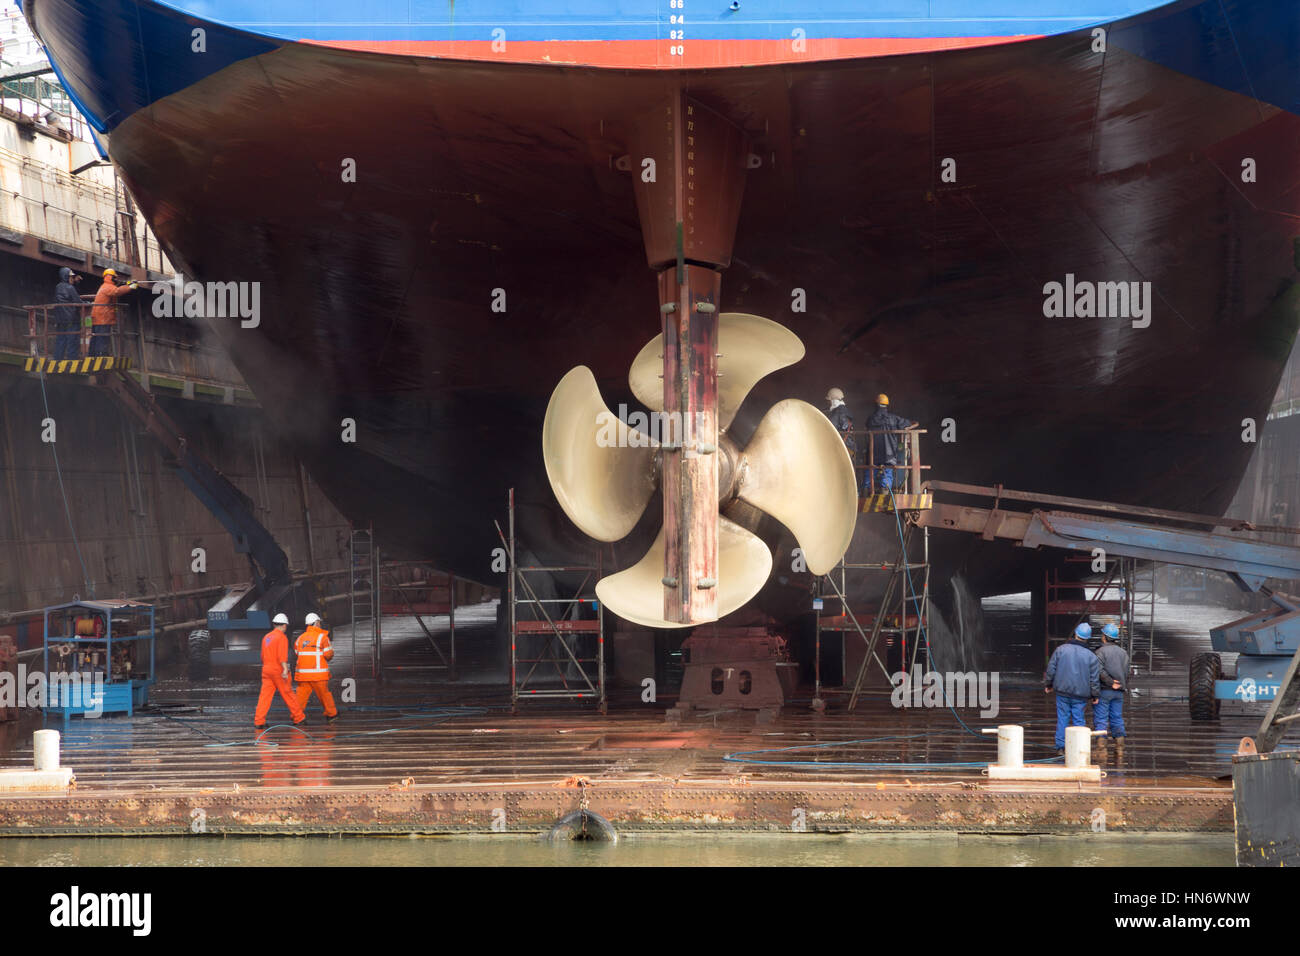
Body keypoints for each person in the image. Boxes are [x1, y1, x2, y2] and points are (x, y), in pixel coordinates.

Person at [1044, 621, 1100, 754]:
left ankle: (1060, 747)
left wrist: (1048, 684)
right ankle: (1079, 746)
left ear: (1075, 634)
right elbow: (1094, 678)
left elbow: (1051, 669)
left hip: (1062, 692)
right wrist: (1095, 695)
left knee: (1062, 718)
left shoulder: (1061, 650)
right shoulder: (1091, 656)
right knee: (1079, 719)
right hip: (1080, 695)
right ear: (1087, 638)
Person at [254, 612, 306, 729]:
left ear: (274, 624)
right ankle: (299, 718)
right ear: (284, 625)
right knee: (288, 694)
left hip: (266, 669)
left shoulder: (266, 637)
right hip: (278, 670)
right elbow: (282, 656)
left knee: (264, 697)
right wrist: (285, 669)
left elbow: (262, 656)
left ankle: (259, 721)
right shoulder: (282, 637)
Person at [864, 394, 917, 493]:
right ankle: (885, 490)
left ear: (876, 404)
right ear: (887, 405)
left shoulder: (871, 419)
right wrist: (912, 423)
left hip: (873, 453)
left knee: (870, 470)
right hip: (889, 453)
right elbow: (908, 423)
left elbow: (866, 427)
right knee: (887, 470)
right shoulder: (893, 418)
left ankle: (866, 490)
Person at [294, 612, 338, 722]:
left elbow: (297, 652)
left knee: (300, 697)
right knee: (324, 695)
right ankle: (331, 715)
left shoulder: (299, 639)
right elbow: (328, 654)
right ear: (316, 623)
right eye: (319, 622)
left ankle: (297, 718)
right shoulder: (322, 638)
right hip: (318, 674)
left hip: (303, 675)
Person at [1093, 622, 1129, 758]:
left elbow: (1098, 671)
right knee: (1117, 718)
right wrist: (1120, 684)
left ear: (1104, 637)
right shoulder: (1123, 653)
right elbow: (1126, 673)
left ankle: (1101, 751)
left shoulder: (1100, 652)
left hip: (1104, 690)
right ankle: (1119, 750)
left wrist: (1109, 682)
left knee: (1101, 720)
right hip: (1119, 692)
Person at [89, 268, 137, 358]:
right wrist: (130, 287)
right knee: (102, 337)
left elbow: (116, 289)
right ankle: (100, 357)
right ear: (110, 277)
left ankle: (93, 357)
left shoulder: (105, 286)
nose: (116, 279)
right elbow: (117, 291)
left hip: (99, 317)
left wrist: (127, 284)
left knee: (96, 337)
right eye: (114, 277)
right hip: (103, 317)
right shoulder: (108, 287)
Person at [52, 268, 82, 360]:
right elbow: (78, 301)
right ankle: (72, 360)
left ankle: (57, 359)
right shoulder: (70, 288)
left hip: (60, 319)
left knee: (61, 340)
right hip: (72, 319)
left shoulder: (58, 287)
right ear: (66, 277)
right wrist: (87, 304)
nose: (73, 279)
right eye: (71, 277)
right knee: (73, 340)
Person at [823, 387, 857, 465]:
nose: (828, 403)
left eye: (829, 401)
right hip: (849, 447)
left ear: (833, 401)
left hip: (842, 447)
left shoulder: (837, 412)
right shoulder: (846, 411)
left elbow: (830, 427)